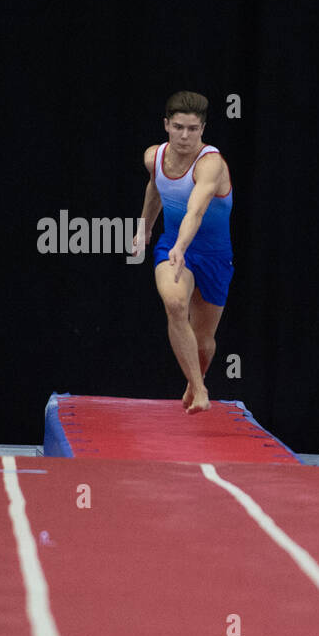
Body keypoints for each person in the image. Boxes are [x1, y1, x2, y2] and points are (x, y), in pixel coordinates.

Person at [131, 91, 234, 414]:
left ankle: (194, 381)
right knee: (175, 302)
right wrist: (145, 228)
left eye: (192, 129)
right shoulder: (154, 157)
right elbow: (155, 187)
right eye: (178, 127)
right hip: (173, 246)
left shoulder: (211, 164)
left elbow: (196, 211)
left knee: (204, 341)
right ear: (166, 125)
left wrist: (182, 245)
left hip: (213, 255)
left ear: (203, 129)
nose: (185, 136)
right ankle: (201, 391)